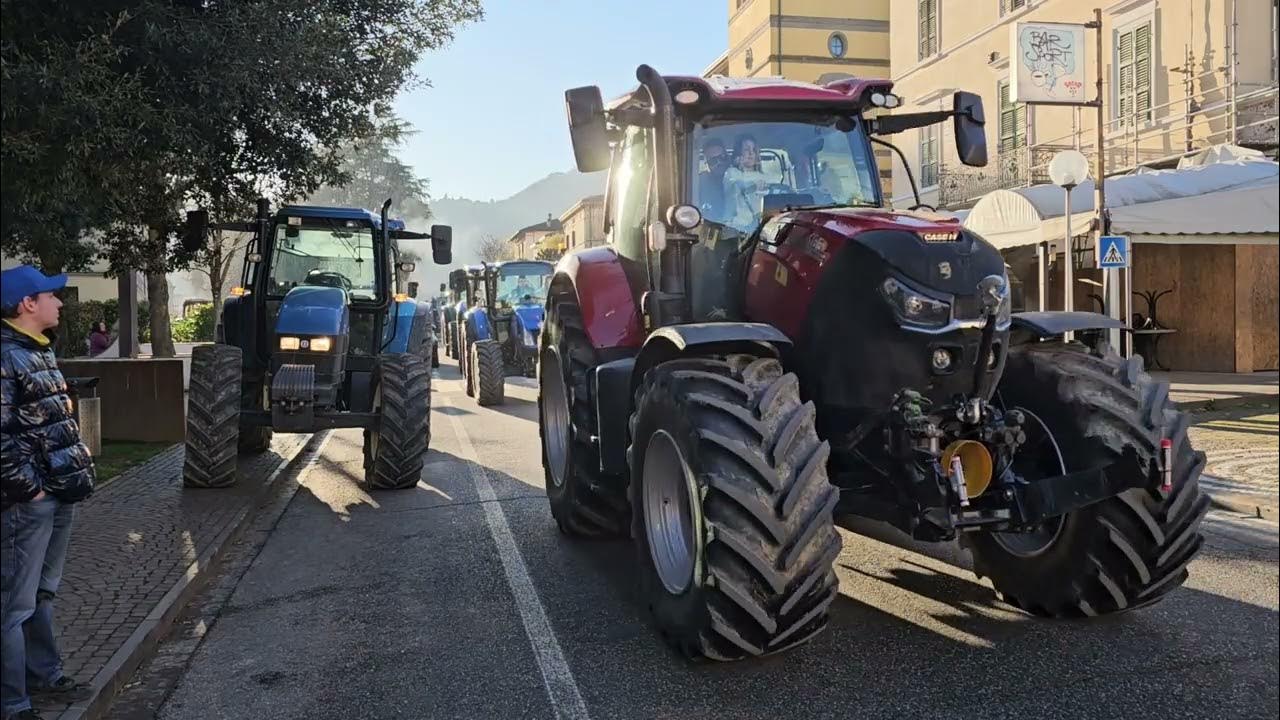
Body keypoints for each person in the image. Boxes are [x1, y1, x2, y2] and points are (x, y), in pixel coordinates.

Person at [1, 265, 96, 720]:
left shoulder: (36, 349)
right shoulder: (7, 357)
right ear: (27, 304)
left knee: (41, 593)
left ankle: (44, 676)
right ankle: (14, 703)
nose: (59, 303)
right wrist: (31, 492)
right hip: (29, 503)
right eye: (51, 296)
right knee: (13, 606)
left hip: (57, 494)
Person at [722, 134, 770, 232]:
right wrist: (740, 165)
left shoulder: (763, 176)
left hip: (760, 226)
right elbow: (735, 186)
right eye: (747, 149)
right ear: (739, 153)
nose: (751, 153)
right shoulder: (731, 173)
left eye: (754, 150)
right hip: (736, 227)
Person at [697, 138, 729, 220]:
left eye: (722, 157)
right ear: (707, 164)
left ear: (727, 157)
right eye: (713, 161)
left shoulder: (742, 179)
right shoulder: (699, 183)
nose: (719, 163)